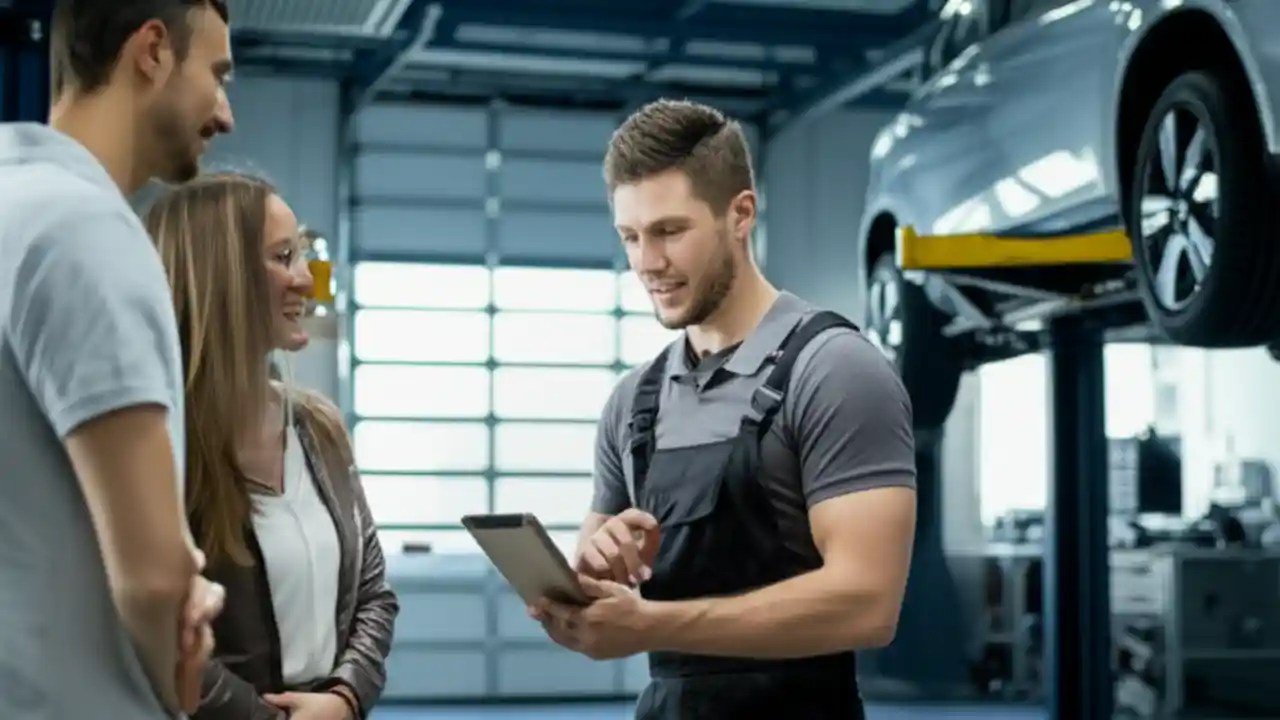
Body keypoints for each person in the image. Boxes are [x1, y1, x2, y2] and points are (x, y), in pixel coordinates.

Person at [529, 99, 919, 719]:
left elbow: (868, 604)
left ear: (741, 214)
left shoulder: (835, 371)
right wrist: (597, 574)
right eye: (630, 236)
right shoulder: (633, 404)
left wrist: (654, 624)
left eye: (669, 231)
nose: (646, 263)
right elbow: (598, 577)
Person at [0, 1, 234, 718]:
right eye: (217, 75)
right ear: (153, 50)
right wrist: (178, 689)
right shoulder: (84, 229)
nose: (224, 113)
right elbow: (156, 577)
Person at [145, 171, 400, 720]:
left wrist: (345, 697)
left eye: (302, 256)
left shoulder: (318, 426)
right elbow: (157, 628)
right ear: (222, 275)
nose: (307, 279)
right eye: (283, 257)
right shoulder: (157, 439)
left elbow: (373, 593)